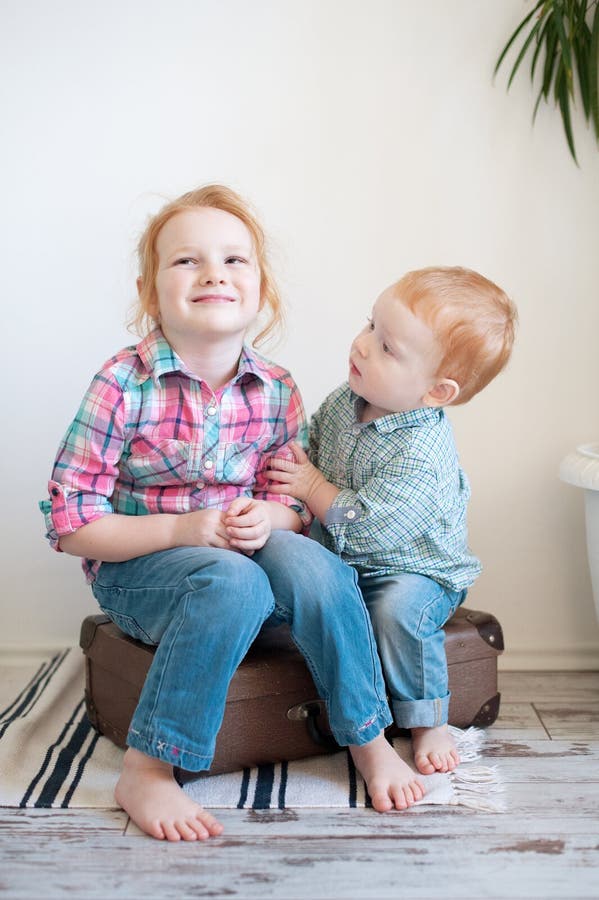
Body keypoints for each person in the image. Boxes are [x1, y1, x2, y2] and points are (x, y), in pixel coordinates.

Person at [40, 185, 423, 843]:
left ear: (260, 288)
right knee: (232, 580)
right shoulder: (122, 384)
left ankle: (365, 734)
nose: (213, 272)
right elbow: (71, 523)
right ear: (148, 290)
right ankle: (149, 767)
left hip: (240, 557)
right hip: (145, 574)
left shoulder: (274, 387)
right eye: (186, 261)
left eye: (234, 261)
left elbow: (295, 503)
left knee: (314, 564)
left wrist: (271, 520)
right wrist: (182, 530)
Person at [266, 266, 517, 778]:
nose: (361, 346)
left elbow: (371, 526)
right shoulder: (345, 400)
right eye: (369, 327)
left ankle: (428, 721)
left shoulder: (422, 451)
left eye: (387, 348)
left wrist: (311, 486)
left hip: (412, 570)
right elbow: (311, 447)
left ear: (437, 391)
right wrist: (289, 467)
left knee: (397, 613)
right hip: (342, 560)